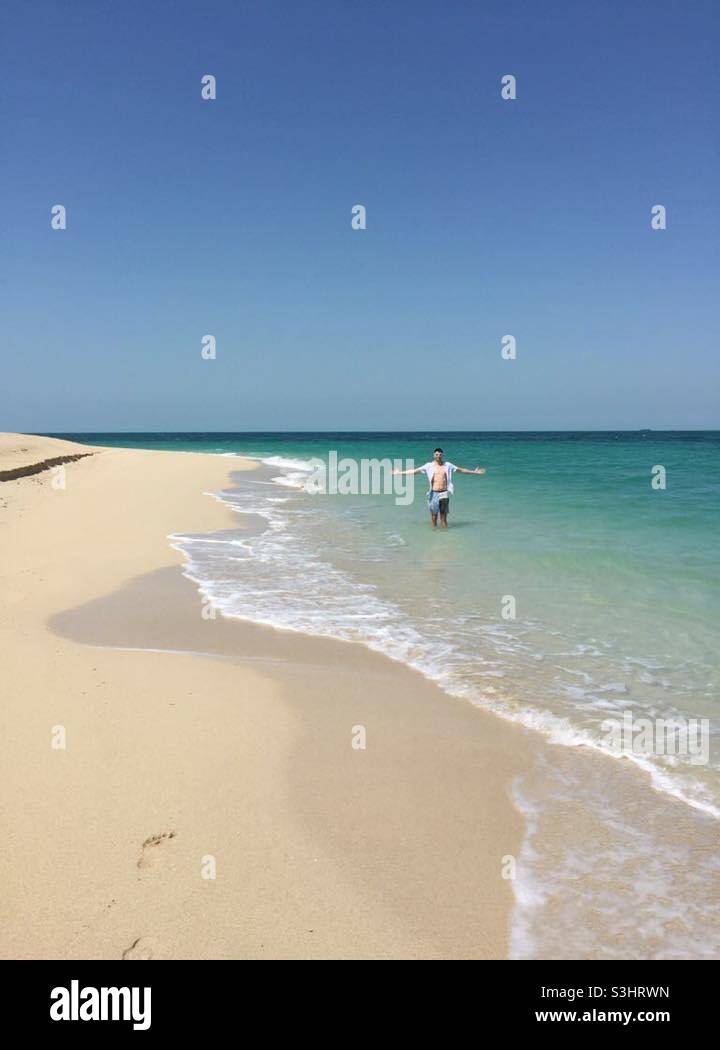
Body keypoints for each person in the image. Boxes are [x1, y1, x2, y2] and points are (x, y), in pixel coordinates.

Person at [393, 447, 485, 528]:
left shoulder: (448, 465)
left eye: (440, 454)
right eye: (437, 454)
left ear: (442, 455)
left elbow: (461, 470)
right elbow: (414, 471)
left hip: (444, 493)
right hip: (433, 493)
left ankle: (444, 535)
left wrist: (474, 472)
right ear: (434, 455)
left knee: (443, 517)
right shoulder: (428, 466)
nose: (438, 456)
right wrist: (399, 473)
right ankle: (434, 534)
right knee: (434, 517)